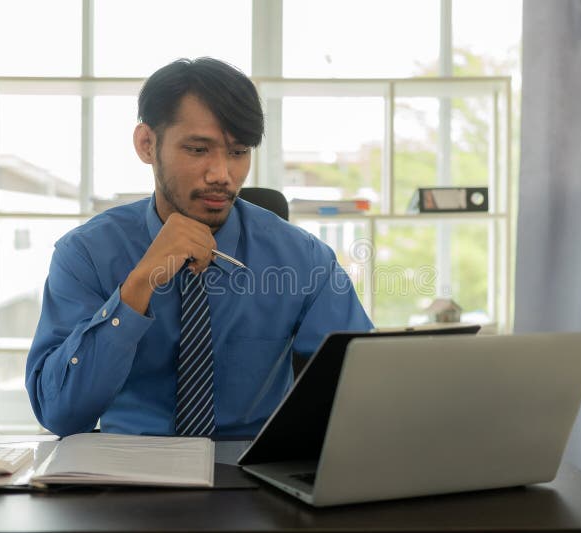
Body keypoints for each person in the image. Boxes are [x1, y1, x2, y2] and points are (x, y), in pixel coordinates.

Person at [25, 57, 373, 438]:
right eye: (197, 149)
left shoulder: (303, 259)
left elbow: (367, 384)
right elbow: (58, 413)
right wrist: (138, 286)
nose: (221, 175)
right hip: (130, 470)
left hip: (250, 472)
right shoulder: (86, 254)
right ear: (147, 144)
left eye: (238, 152)